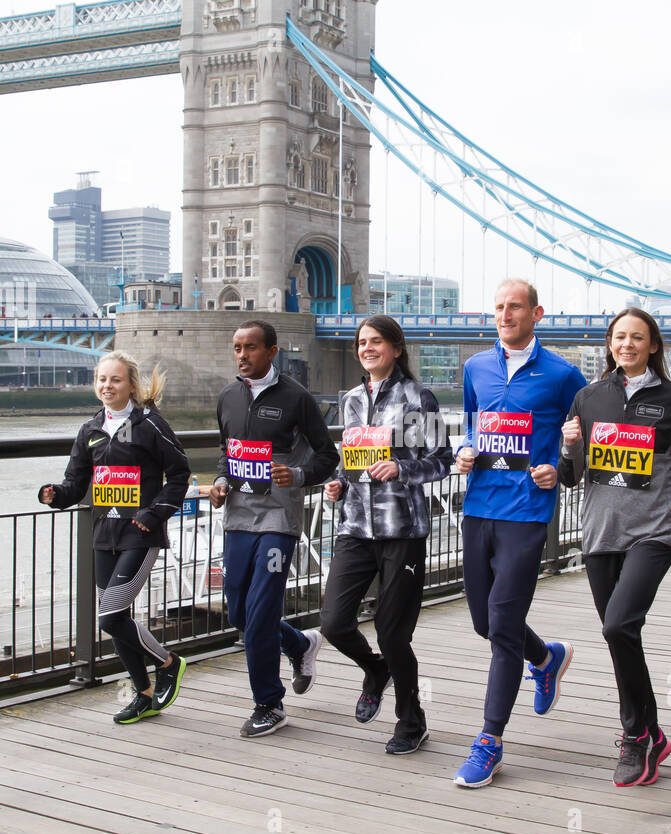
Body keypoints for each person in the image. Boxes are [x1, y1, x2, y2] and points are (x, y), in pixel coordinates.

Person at [558, 308, 671, 786]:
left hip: (653, 533)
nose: (627, 345)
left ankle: (634, 735)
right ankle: (653, 733)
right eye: (619, 337)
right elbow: (570, 476)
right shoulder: (588, 397)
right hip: (601, 533)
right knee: (623, 635)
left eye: (637, 338)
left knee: (619, 624)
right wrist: (567, 447)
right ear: (609, 344)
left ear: (653, 346)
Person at [452, 279, 588, 788]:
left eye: (514, 307)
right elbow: (472, 423)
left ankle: (489, 740)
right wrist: (464, 450)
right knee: (485, 622)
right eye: (499, 307)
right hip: (479, 506)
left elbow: (587, 435)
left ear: (537, 313)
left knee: (503, 623)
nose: (504, 314)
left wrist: (558, 463)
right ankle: (546, 657)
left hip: (529, 512)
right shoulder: (475, 367)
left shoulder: (563, 374)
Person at [319, 315, 453, 754]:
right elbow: (351, 458)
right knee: (334, 623)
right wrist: (338, 482)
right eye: (362, 342)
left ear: (396, 348)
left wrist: (402, 467)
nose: (367, 348)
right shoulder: (352, 400)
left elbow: (440, 460)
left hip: (402, 530)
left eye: (376, 341)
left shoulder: (417, 398)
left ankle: (411, 722)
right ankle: (375, 670)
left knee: (393, 632)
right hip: (355, 527)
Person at [39, 351, 191, 723]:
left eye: (116, 380)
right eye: (102, 380)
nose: (107, 386)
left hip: (140, 535)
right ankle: (143, 694)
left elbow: (180, 474)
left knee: (109, 617)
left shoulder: (150, 424)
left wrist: (153, 514)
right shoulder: (90, 430)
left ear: (131, 385)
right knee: (116, 617)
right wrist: (55, 495)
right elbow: (76, 483)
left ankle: (168, 663)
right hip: (103, 535)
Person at [207, 320, 338, 738]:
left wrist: (297, 475)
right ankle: (300, 644)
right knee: (240, 613)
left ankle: (269, 704)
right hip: (238, 518)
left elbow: (327, 457)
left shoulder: (296, 399)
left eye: (250, 348)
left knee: (261, 613)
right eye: (236, 348)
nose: (242, 356)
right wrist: (221, 482)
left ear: (272, 351)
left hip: (278, 520)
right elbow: (228, 453)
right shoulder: (227, 397)